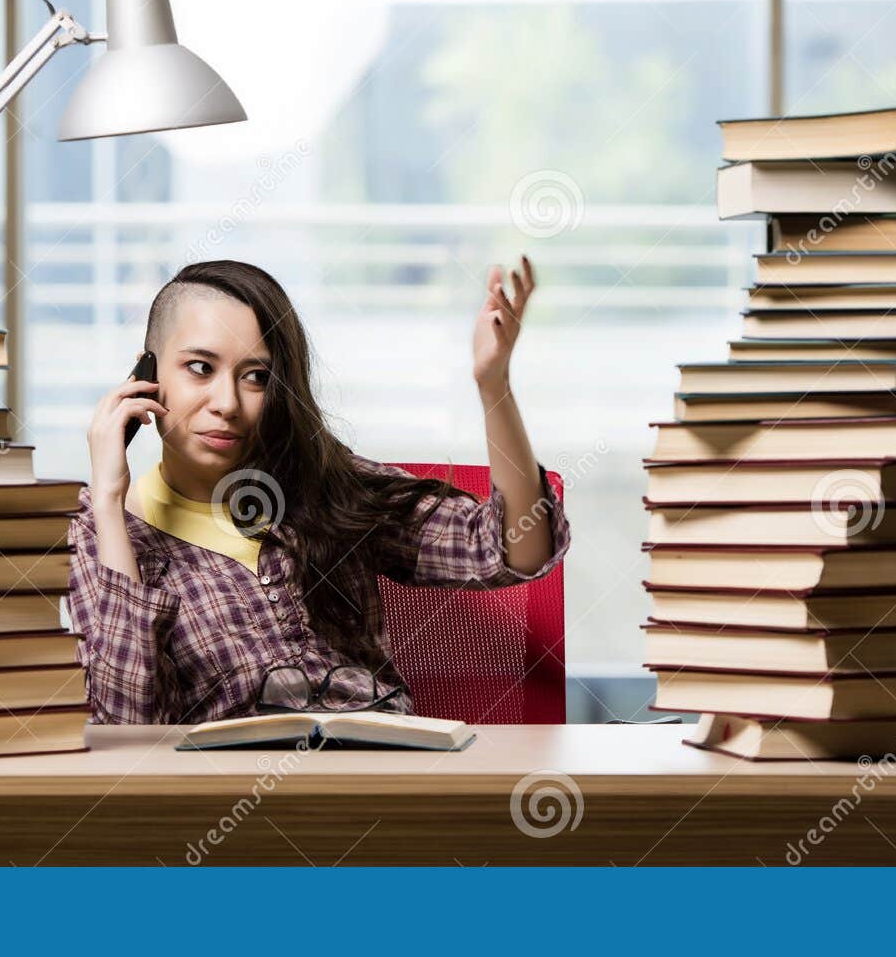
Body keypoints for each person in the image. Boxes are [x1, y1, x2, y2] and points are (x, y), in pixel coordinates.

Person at [67, 256, 572, 724]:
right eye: (200, 368)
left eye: (257, 377)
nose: (227, 402)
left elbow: (516, 549)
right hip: (234, 800)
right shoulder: (103, 534)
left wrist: (493, 383)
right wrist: (109, 503)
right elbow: (129, 726)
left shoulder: (324, 484)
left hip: (384, 775)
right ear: (146, 375)